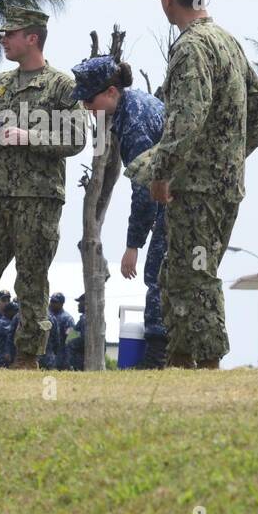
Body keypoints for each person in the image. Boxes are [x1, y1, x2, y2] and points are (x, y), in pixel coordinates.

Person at [124, 0, 258, 370]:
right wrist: (232, 158)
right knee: (179, 272)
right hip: (222, 185)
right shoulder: (227, 41)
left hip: (196, 187)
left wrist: (162, 173)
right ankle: (183, 357)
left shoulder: (191, 46)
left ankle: (205, 361)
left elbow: (185, 119)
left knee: (195, 275)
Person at [0, 8, 87, 370]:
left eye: (11, 33)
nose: (3, 39)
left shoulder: (62, 86)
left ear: (32, 38)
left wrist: (29, 136)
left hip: (38, 200)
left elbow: (78, 138)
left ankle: (27, 357)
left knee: (32, 280)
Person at [72, 55, 169, 367]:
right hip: (177, 197)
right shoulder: (135, 104)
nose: (86, 107)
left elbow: (145, 189)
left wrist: (132, 245)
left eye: (90, 99)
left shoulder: (134, 123)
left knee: (157, 274)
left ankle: (158, 354)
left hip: (176, 202)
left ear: (111, 92)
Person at [43, 293, 75, 370]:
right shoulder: (47, 316)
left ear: (61, 304)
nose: (51, 304)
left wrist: (68, 359)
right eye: (51, 301)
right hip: (47, 354)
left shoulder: (68, 319)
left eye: (55, 302)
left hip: (61, 355)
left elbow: (71, 338)